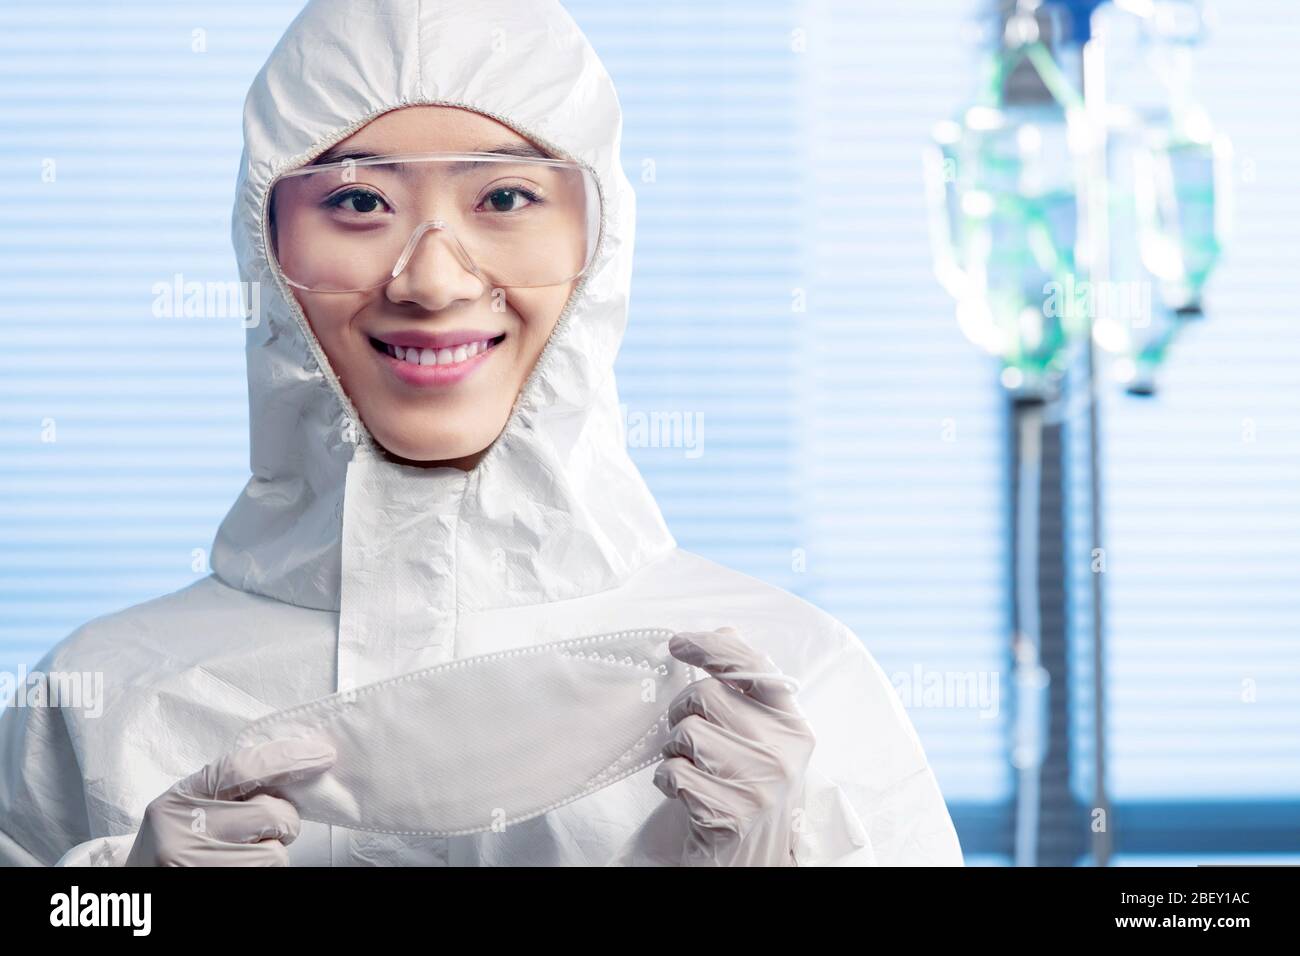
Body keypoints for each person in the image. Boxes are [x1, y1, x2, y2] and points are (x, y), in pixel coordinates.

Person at [0, 0, 963, 867]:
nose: (432, 281)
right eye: (357, 202)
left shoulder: (792, 685)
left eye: (505, 198)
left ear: (600, 240)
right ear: (264, 239)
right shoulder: (97, 698)